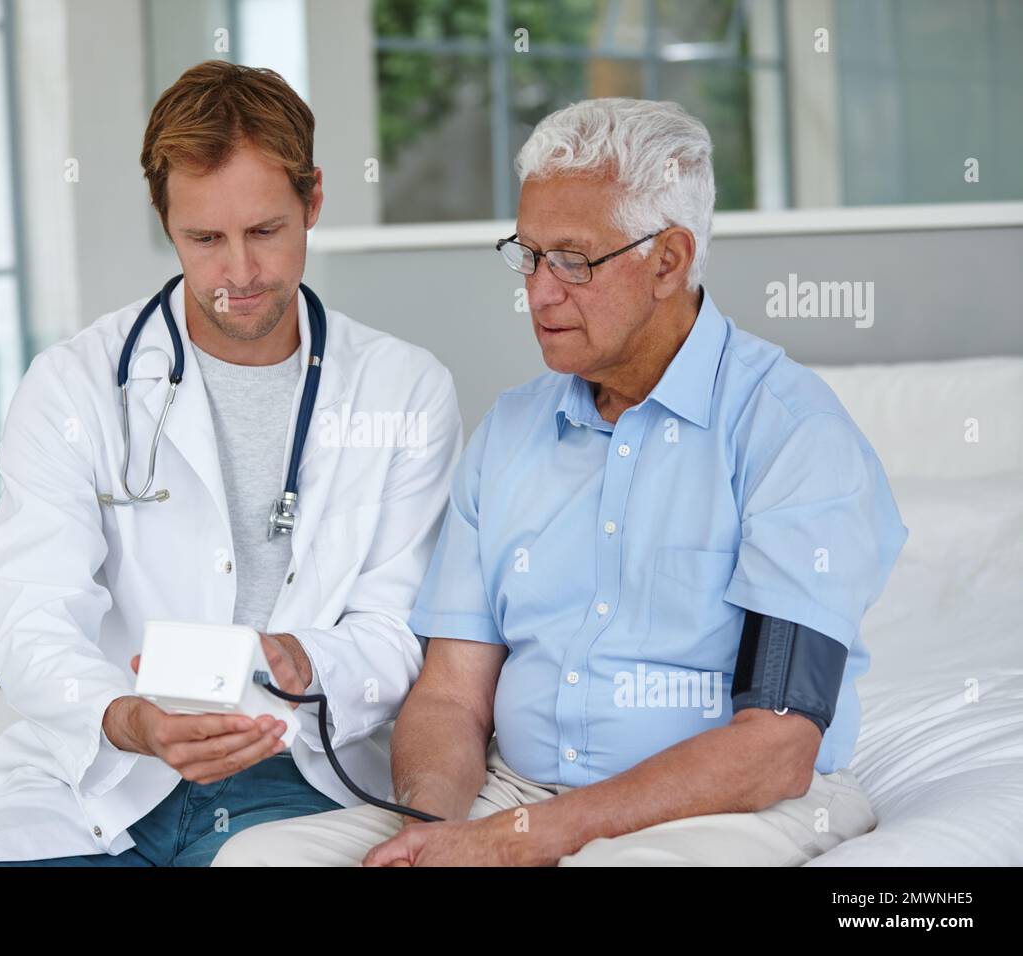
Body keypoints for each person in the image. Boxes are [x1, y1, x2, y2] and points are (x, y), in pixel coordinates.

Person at [212, 97, 907, 867]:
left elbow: (777, 745)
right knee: (259, 859)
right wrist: (433, 830)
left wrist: (528, 841)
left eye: (574, 261)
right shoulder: (511, 432)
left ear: (668, 261)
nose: (539, 292)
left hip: (733, 804)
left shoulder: (793, 435)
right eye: (529, 255)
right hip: (515, 793)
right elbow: (450, 696)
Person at [0, 61, 462, 866]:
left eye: (266, 232)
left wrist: (297, 657)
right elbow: (35, 618)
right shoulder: (74, 386)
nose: (239, 275)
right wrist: (131, 718)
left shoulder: (404, 390)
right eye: (204, 240)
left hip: (296, 773)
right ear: (163, 218)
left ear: (313, 201)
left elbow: (395, 632)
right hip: (109, 773)